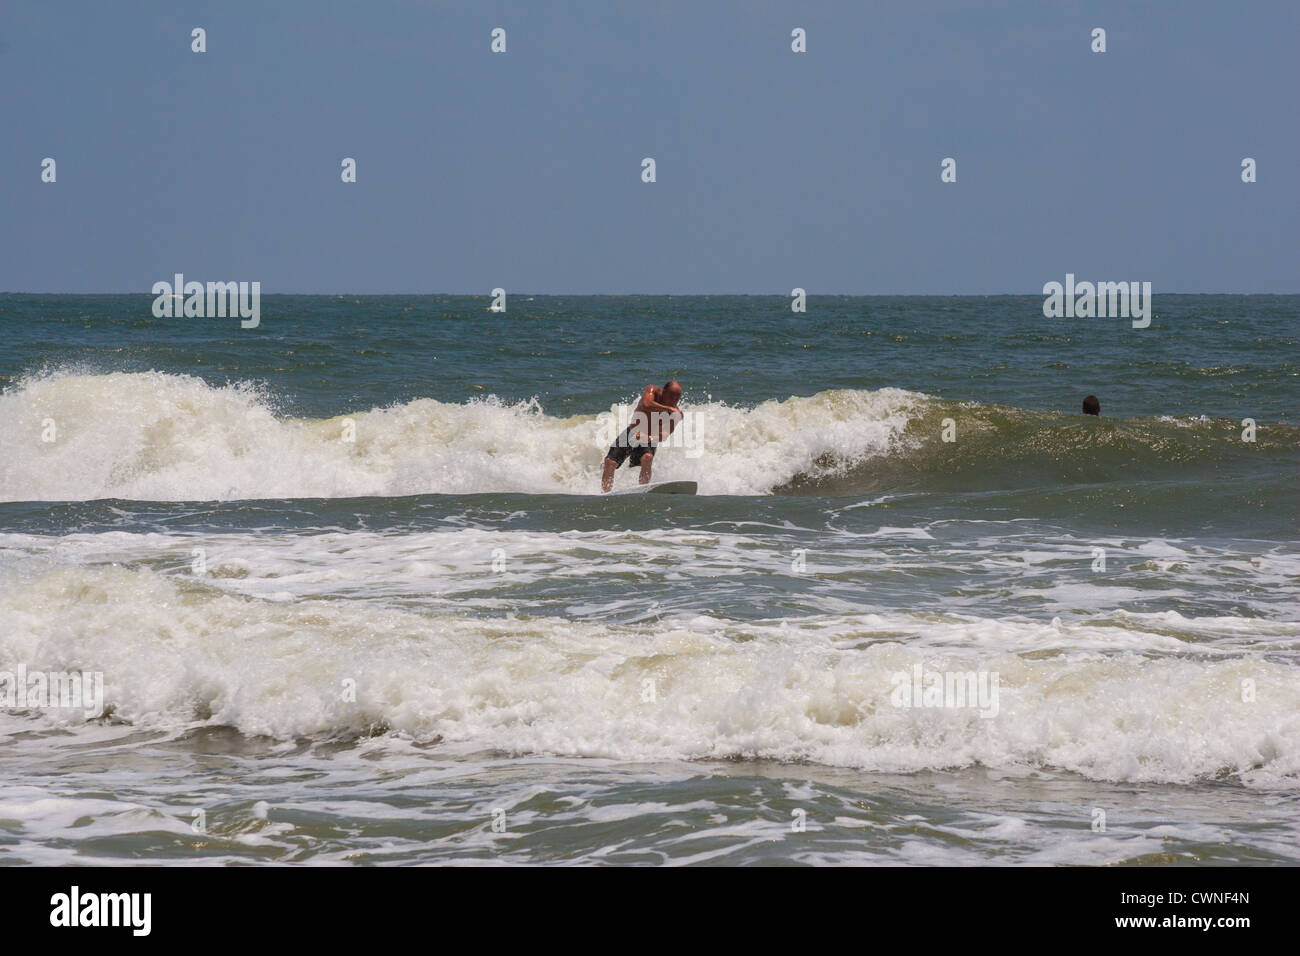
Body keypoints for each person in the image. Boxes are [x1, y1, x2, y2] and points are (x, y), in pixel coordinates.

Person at [602, 381, 683, 492]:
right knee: (609, 463)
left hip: (649, 438)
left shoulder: (676, 413)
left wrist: (649, 438)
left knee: (647, 458)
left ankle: (642, 490)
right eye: (672, 395)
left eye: (677, 397)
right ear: (664, 392)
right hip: (632, 432)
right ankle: (606, 493)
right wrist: (667, 409)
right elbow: (646, 405)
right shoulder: (652, 391)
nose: (674, 400)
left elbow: (664, 435)